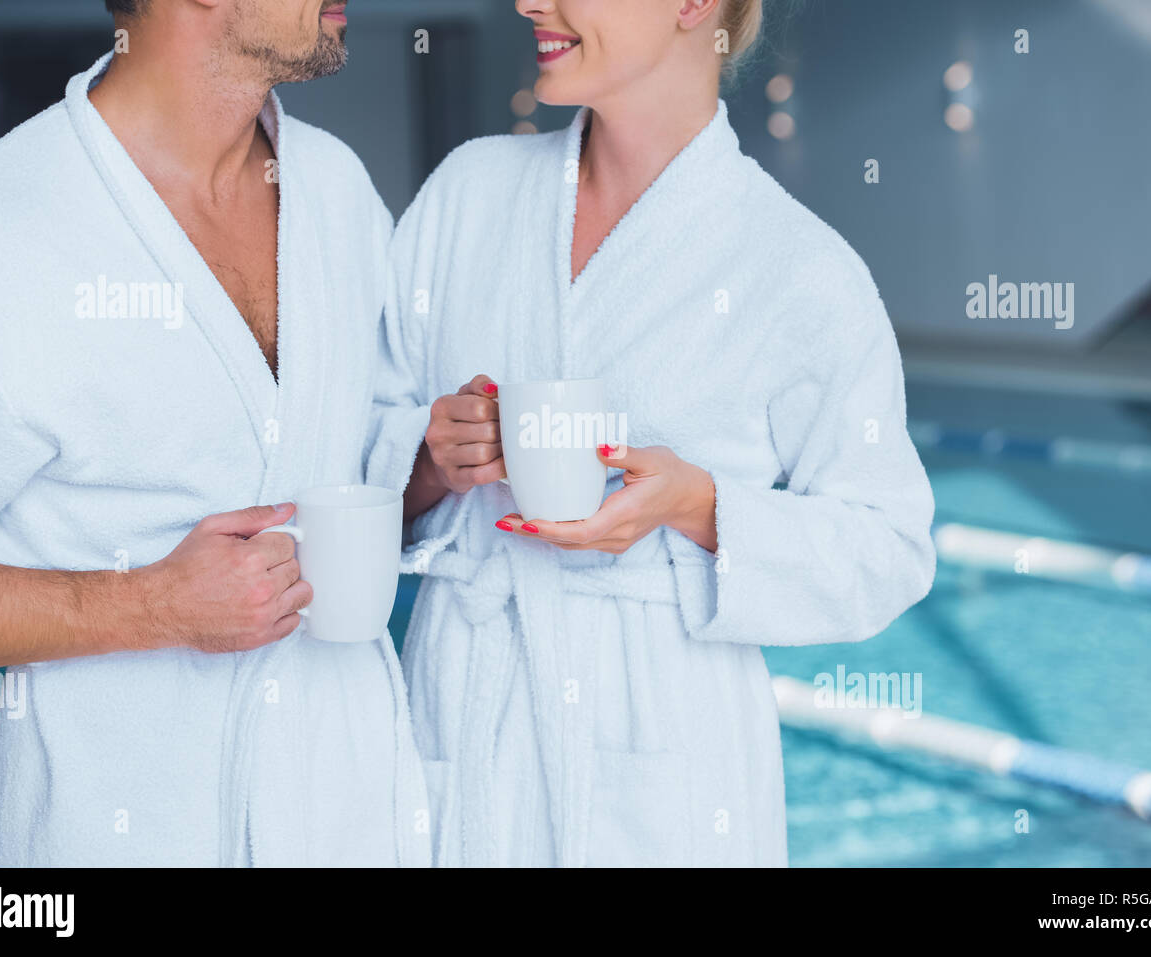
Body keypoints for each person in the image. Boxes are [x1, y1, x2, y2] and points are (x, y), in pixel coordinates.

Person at [366, 0, 936, 866]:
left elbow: (890, 546)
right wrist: (431, 460)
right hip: (461, 709)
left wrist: (702, 508)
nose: (528, 2)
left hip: (666, 757)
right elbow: (346, 456)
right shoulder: (468, 194)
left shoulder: (798, 267)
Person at [0, 0, 428, 866]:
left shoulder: (334, 187)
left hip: (348, 821)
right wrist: (154, 603)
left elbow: (373, 456)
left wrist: (439, 459)